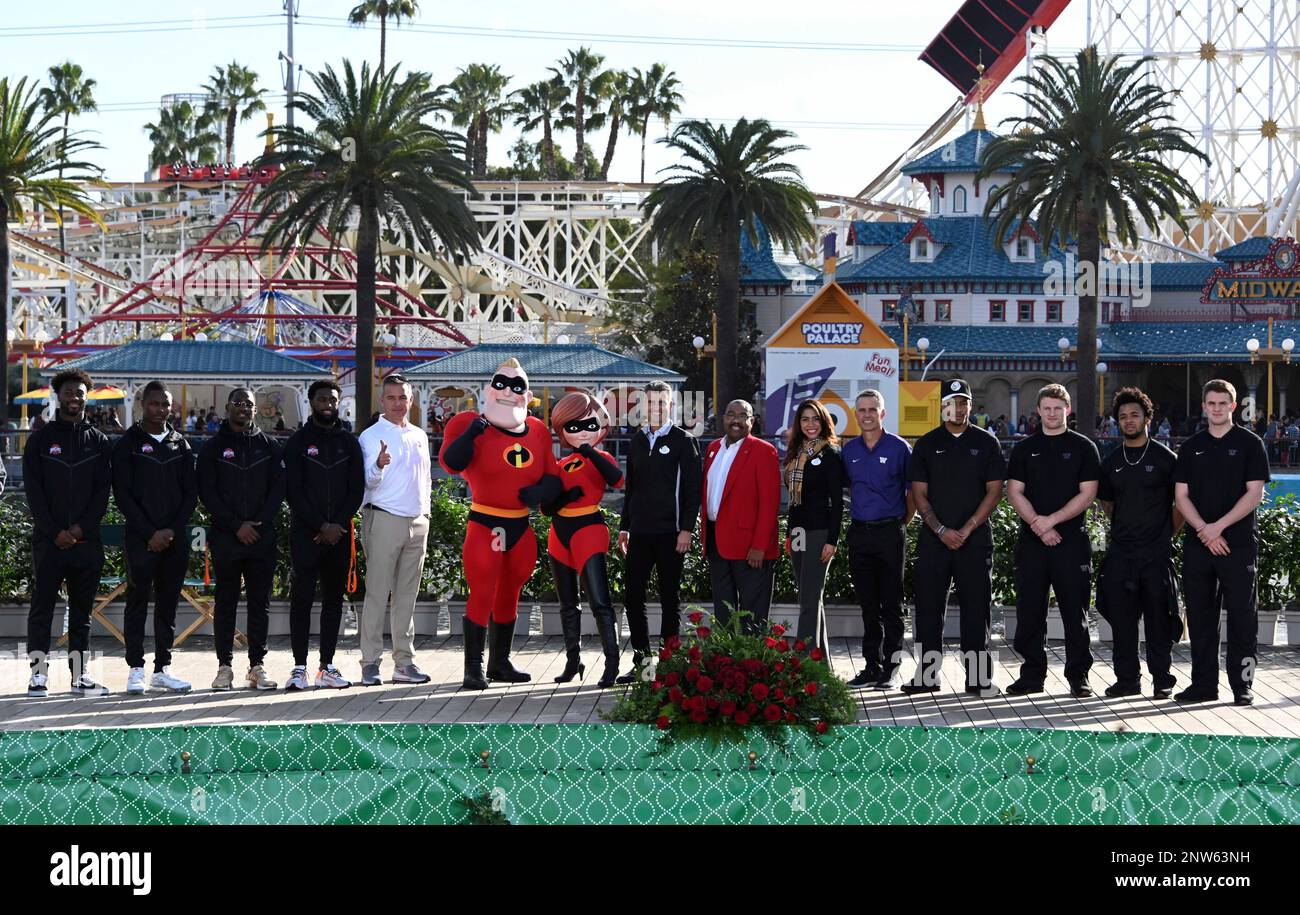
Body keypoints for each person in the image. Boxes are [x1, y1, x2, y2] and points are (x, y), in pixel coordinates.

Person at [439, 360, 562, 689]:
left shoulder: (537, 430)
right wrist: (471, 434)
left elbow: (554, 477)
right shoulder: (468, 422)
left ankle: (500, 662)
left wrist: (539, 492)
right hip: (485, 521)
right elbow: (451, 462)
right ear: (489, 389)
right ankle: (473, 666)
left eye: (517, 386)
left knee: (510, 592)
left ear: (528, 395)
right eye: (501, 384)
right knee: (482, 591)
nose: (509, 391)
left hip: (520, 524)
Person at [1173, 379, 1270, 705]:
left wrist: (1219, 527)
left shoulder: (1250, 443)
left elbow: (1255, 493)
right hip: (1199, 544)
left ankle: (1242, 686)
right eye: (1211, 403)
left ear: (1233, 406)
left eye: (1222, 403)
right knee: (1200, 619)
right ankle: (1203, 685)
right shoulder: (1190, 447)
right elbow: (1181, 496)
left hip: (1238, 543)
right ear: (1204, 406)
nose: (1217, 408)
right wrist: (1204, 529)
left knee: (1243, 617)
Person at [907, 379, 1006, 695]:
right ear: (942, 407)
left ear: (970, 405)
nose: (958, 408)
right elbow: (920, 495)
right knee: (928, 610)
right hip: (934, 540)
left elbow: (994, 492)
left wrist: (966, 529)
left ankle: (977, 679)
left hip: (974, 541)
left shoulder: (987, 443)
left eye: (963, 401)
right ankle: (926, 676)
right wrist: (940, 530)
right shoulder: (925, 444)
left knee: (977, 611)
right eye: (952, 402)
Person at [1006, 383, 1100, 697]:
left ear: (1067, 410)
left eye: (1057, 408)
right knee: (1030, 611)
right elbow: (1014, 491)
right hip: (1033, 542)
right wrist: (1038, 524)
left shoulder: (1084, 447)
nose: (1052, 413)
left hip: (1071, 542)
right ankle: (1032, 675)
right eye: (1046, 408)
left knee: (1076, 613)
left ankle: (1078, 676)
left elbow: (1087, 493)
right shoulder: (1023, 448)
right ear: (1039, 411)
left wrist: (1052, 521)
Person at [23, 369, 113, 698]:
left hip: (86, 543)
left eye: (80, 393)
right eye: (69, 393)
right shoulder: (41, 441)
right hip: (49, 542)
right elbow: (34, 494)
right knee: (42, 609)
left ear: (87, 397)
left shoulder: (99, 442)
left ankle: (79, 675)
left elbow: (102, 494)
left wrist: (79, 529)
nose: (75, 398)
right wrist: (55, 531)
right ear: (58, 396)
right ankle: (37, 675)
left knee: (82, 612)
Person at [1096, 387, 1182, 700]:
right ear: (1117, 422)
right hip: (1122, 553)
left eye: (1134, 415)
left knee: (1159, 622)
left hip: (1156, 555)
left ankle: (1162, 679)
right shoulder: (1111, 461)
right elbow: (1107, 503)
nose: (1129, 421)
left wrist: (1162, 534)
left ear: (1148, 417)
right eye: (1123, 417)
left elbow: (1181, 504)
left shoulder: (1165, 458)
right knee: (1123, 623)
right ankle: (1127, 679)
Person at [112, 381, 197, 695]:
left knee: (168, 605)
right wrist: (150, 533)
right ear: (142, 404)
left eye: (165, 404)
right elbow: (122, 494)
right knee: (137, 602)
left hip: (173, 539)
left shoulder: (181, 444)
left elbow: (190, 494)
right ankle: (136, 668)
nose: (160, 409)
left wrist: (171, 530)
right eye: (154, 404)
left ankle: (163, 669)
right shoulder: (128, 444)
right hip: (141, 539)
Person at [197, 388, 284, 691]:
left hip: (261, 537)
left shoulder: (270, 447)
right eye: (238, 404)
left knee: (260, 604)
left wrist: (258, 523)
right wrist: (236, 526)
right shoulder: (212, 448)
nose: (243, 409)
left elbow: (278, 490)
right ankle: (224, 667)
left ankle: (257, 666)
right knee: (226, 603)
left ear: (255, 410)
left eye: (248, 404)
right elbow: (208, 493)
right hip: (227, 538)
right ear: (227, 408)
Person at [616, 381, 702, 683]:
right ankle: (641, 661)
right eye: (650, 403)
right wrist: (624, 527)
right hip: (639, 532)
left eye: (660, 403)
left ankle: (668, 662)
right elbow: (631, 489)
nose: (655, 408)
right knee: (633, 597)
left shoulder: (684, 440)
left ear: (671, 406)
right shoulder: (638, 441)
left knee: (669, 598)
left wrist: (687, 529)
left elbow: (693, 491)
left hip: (670, 532)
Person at [283, 379, 365, 690]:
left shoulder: (349, 442)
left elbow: (356, 488)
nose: (327, 404)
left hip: (340, 535)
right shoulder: (298, 441)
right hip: (307, 534)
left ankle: (326, 666)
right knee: (301, 601)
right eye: (322, 399)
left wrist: (337, 525)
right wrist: (320, 525)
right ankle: (299, 667)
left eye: (332, 399)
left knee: (334, 600)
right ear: (311, 401)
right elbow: (294, 490)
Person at [357, 375, 434, 687]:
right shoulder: (370, 436)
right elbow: (368, 483)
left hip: (418, 522)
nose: (398, 404)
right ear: (382, 402)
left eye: (402, 398)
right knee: (377, 594)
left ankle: (404, 663)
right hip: (384, 519)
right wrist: (378, 465)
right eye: (391, 398)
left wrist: (425, 514)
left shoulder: (419, 435)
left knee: (407, 597)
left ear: (411, 400)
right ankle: (370, 663)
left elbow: (426, 479)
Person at [543, 391, 624, 687]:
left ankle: (612, 663)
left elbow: (616, 479)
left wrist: (589, 452)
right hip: (559, 533)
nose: (581, 431)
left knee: (600, 601)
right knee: (567, 604)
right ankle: (572, 661)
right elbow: (545, 508)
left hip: (588, 529)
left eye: (587, 423)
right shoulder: (560, 465)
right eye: (572, 426)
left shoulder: (602, 457)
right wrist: (564, 496)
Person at [841, 390, 913, 689]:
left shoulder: (899, 448)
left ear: (883, 413)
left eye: (873, 409)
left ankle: (892, 667)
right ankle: (872, 665)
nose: (867, 414)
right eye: (862, 410)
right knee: (867, 604)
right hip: (860, 533)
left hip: (889, 533)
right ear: (855, 414)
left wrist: (897, 525)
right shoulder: (849, 450)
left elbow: (912, 495)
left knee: (891, 603)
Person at [700, 399, 780, 631]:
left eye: (742, 415)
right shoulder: (713, 448)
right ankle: (726, 663)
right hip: (717, 543)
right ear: (723, 418)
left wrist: (759, 547)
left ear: (752, 421)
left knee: (752, 617)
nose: (736, 420)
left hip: (750, 549)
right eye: (730, 414)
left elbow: (769, 504)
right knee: (724, 613)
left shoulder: (764, 451)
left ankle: (752, 664)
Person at [781, 399, 843, 649]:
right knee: (809, 599)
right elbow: (794, 503)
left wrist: (832, 540)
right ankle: (821, 666)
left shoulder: (831, 454)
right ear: (799, 424)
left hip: (820, 533)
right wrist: (788, 534)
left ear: (824, 422)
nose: (810, 424)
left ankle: (802, 664)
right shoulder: (796, 453)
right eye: (805, 419)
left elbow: (838, 503)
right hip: (797, 532)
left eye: (815, 419)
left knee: (808, 600)